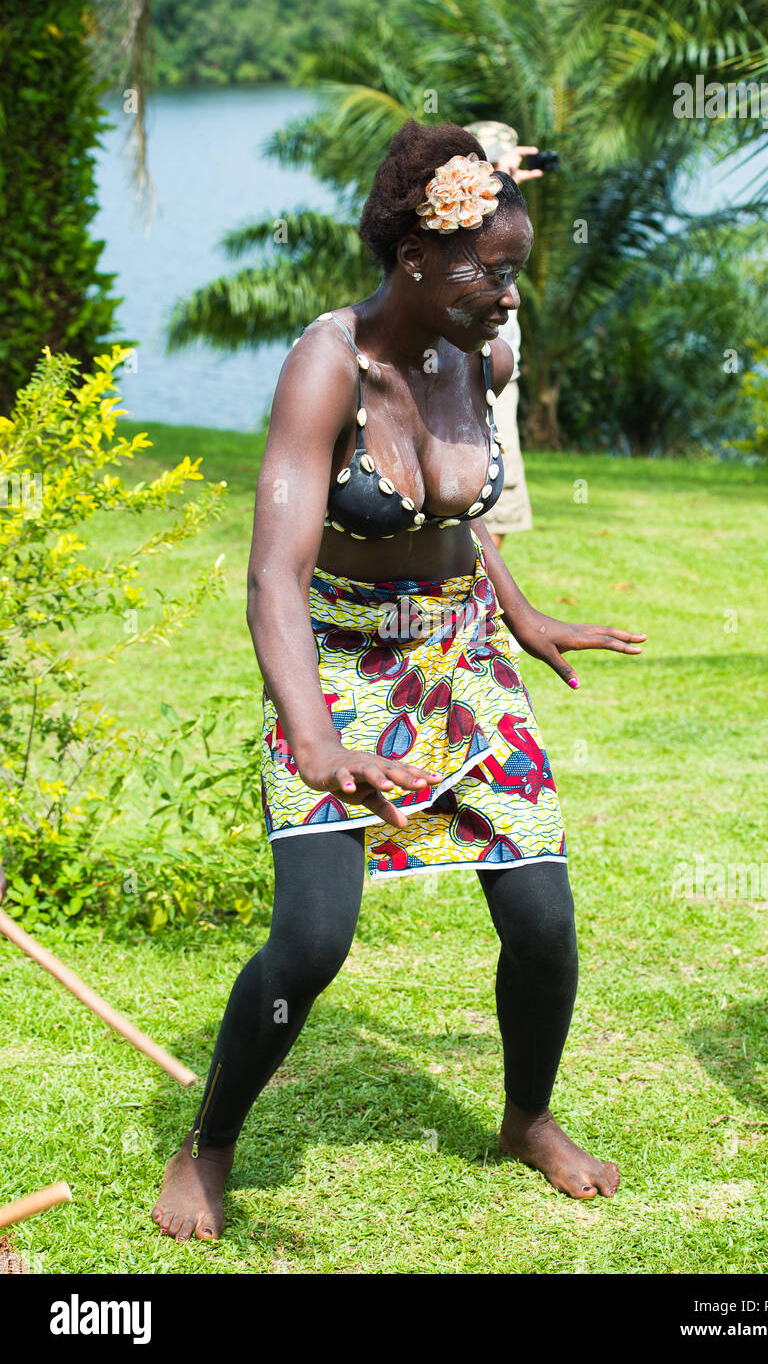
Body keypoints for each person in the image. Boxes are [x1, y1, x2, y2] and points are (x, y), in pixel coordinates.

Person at [152, 119, 646, 1243]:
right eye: (490, 271)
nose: (509, 297)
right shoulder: (327, 363)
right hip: (336, 664)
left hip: (459, 662)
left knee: (542, 918)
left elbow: (454, 516)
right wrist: (316, 736)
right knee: (313, 940)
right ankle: (211, 1140)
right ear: (415, 260)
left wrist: (518, 615)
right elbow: (272, 579)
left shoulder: (481, 351)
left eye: (517, 271)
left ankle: (527, 1116)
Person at [463, 122, 541, 549]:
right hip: (479, 373)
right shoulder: (467, 217)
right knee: (488, 492)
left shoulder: (500, 210)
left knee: (500, 494)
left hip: (498, 374)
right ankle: (475, 595)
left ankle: (480, 593)